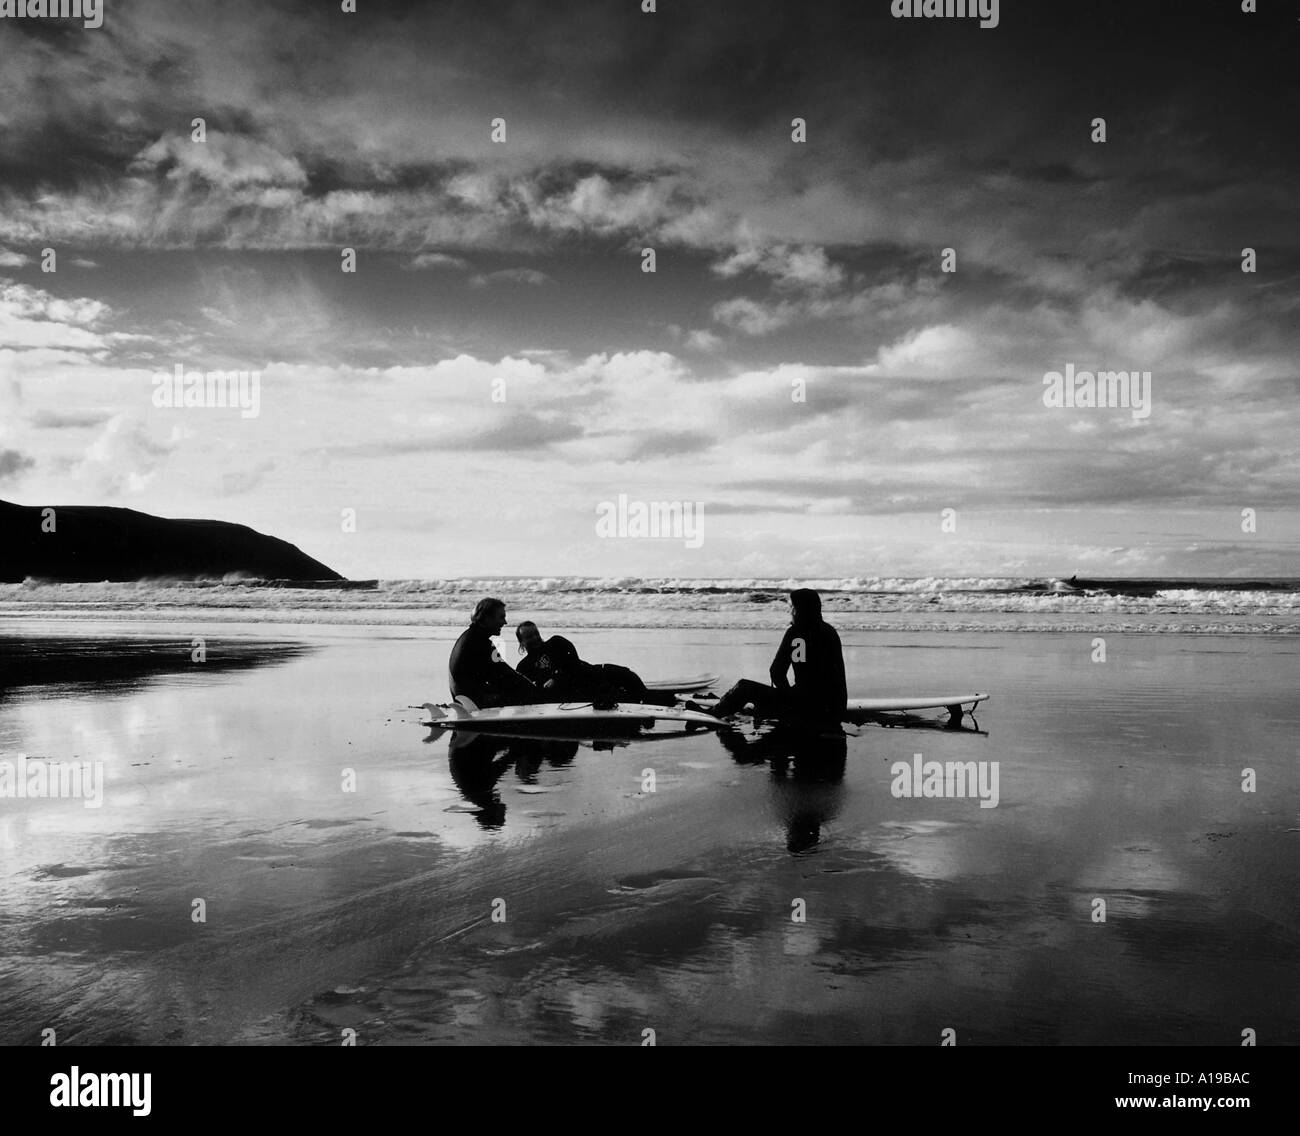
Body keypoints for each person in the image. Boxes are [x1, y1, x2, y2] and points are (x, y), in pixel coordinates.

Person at [712, 588, 847, 728]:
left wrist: (788, 697)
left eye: (791, 608)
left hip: (805, 709)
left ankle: (713, 713)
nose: (790, 612)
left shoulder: (795, 632)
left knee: (744, 687)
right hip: (833, 710)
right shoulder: (830, 633)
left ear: (799, 610)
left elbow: (776, 672)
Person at [514, 621, 679, 707]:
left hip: (601, 674)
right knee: (637, 698)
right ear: (521, 642)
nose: (535, 638)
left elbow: (573, 665)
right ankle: (676, 700)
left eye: (536, 634)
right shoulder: (524, 667)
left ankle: (679, 700)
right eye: (529, 637)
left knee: (640, 691)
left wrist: (556, 678)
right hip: (590, 690)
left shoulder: (557, 642)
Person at [447, 598, 538, 708]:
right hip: (472, 703)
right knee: (526, 692)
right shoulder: (480, 643)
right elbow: (505, 674)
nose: (505, 622)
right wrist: (533, 689)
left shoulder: (470, 636)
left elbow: (500, 672)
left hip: (462, 698)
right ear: (487, 618)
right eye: (501, 617)